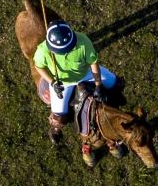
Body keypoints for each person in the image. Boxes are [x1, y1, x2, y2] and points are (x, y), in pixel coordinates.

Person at [33, 20, 108, 164]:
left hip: (85, 74)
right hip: (63, 82)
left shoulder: (83, 41)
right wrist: (52, 82)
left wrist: (98, 85)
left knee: (113, 82)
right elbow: (39, 67)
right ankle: (55, 130)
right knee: (58, 114)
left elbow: (93, 63)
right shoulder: (43, 50)